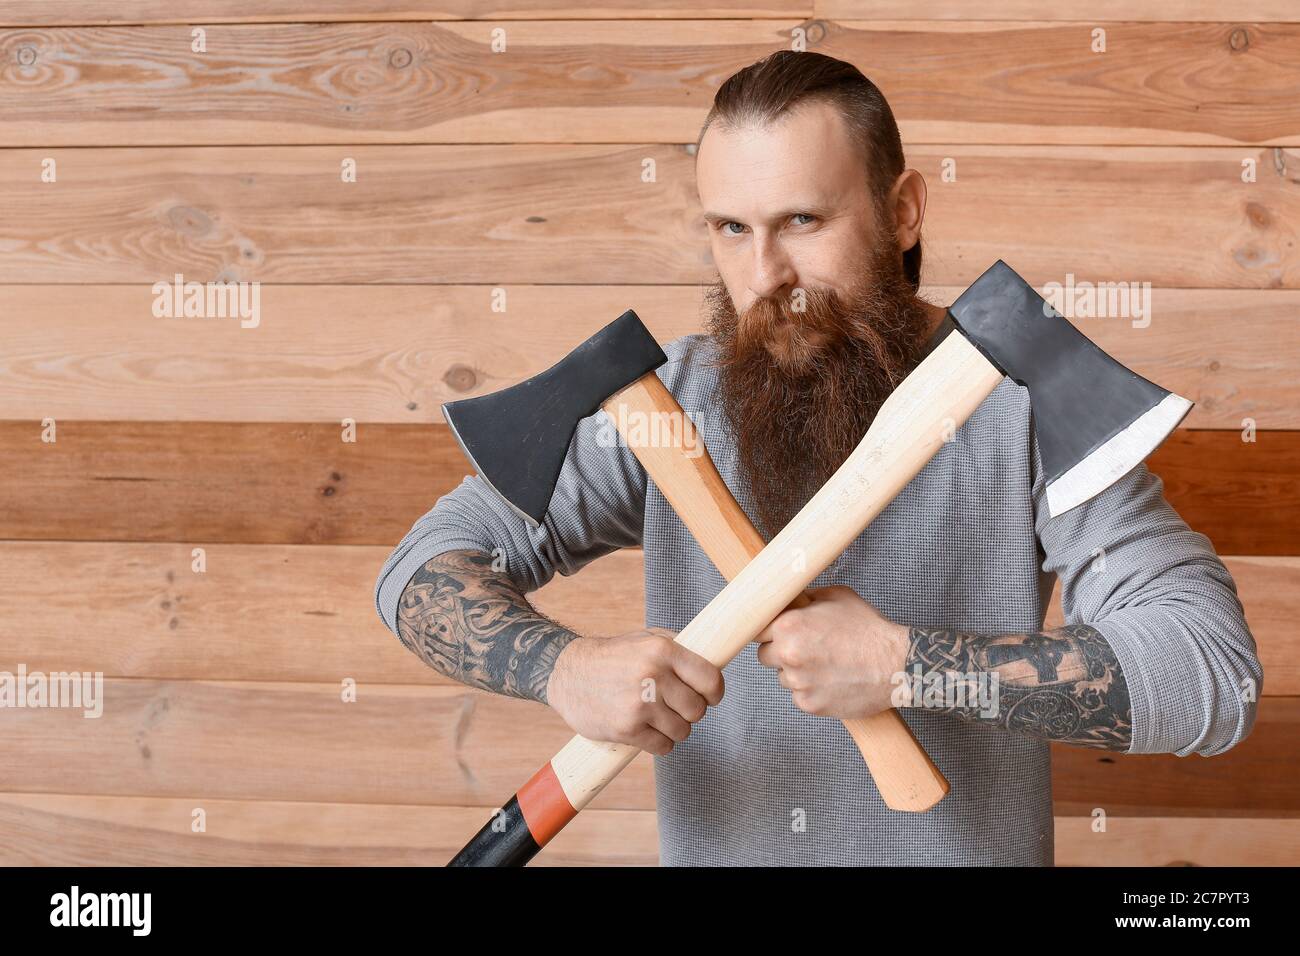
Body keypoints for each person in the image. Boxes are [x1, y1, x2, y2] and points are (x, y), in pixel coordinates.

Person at [374, 51, 1260, 865]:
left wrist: (910, 667)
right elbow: (420, 572)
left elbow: (1209, 672)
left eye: (802, 220)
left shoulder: (1019, 405)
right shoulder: (656, 411)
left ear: (904, 209)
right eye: (729, 228)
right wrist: (559, 668)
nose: (764, 275)